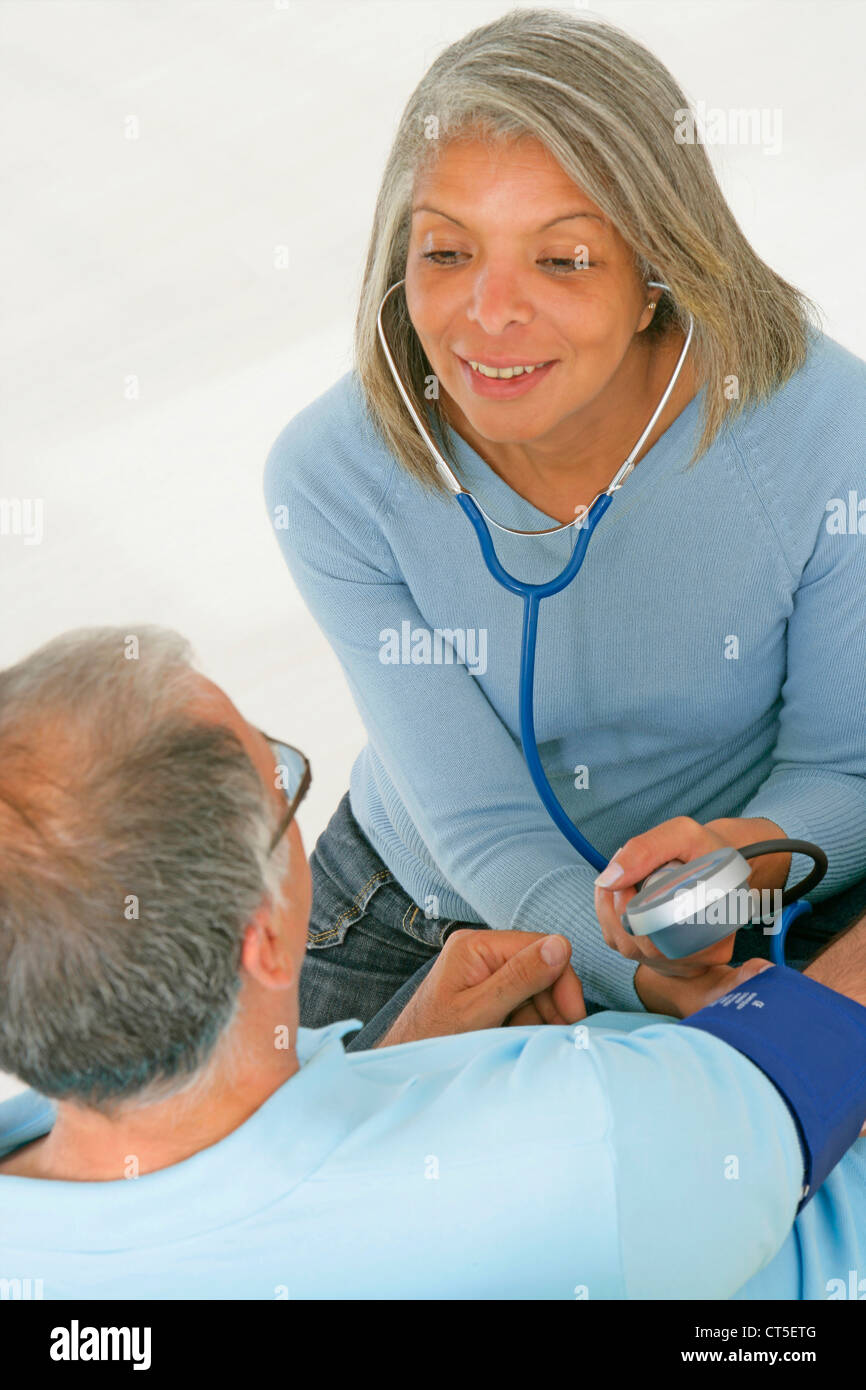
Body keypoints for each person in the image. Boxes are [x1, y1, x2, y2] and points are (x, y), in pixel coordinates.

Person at [263, 8, 866, 1037]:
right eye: (446, 252)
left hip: (749, 907)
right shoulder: (333, 475)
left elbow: (841, 770)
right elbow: (487, 829)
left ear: (655, 275)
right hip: (427, 921)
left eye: (563, 259)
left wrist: (746, 858)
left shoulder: (820, 428)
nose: (488, 313)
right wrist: (639, 985)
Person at [0, 626, 863, 1300]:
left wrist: (397, 1066)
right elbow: (830, 1036)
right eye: (282, 782)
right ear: (260, 939)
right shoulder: (586, 1142)